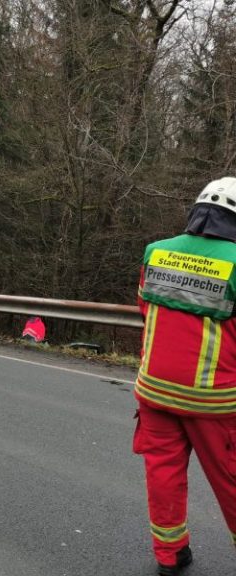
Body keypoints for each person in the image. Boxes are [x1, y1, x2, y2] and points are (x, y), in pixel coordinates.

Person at [134, 176, 236, 576]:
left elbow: (147, 313)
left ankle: (170, 555)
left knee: (163, 473)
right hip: (213, 400)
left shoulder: (155, 253)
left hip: (154, 390)